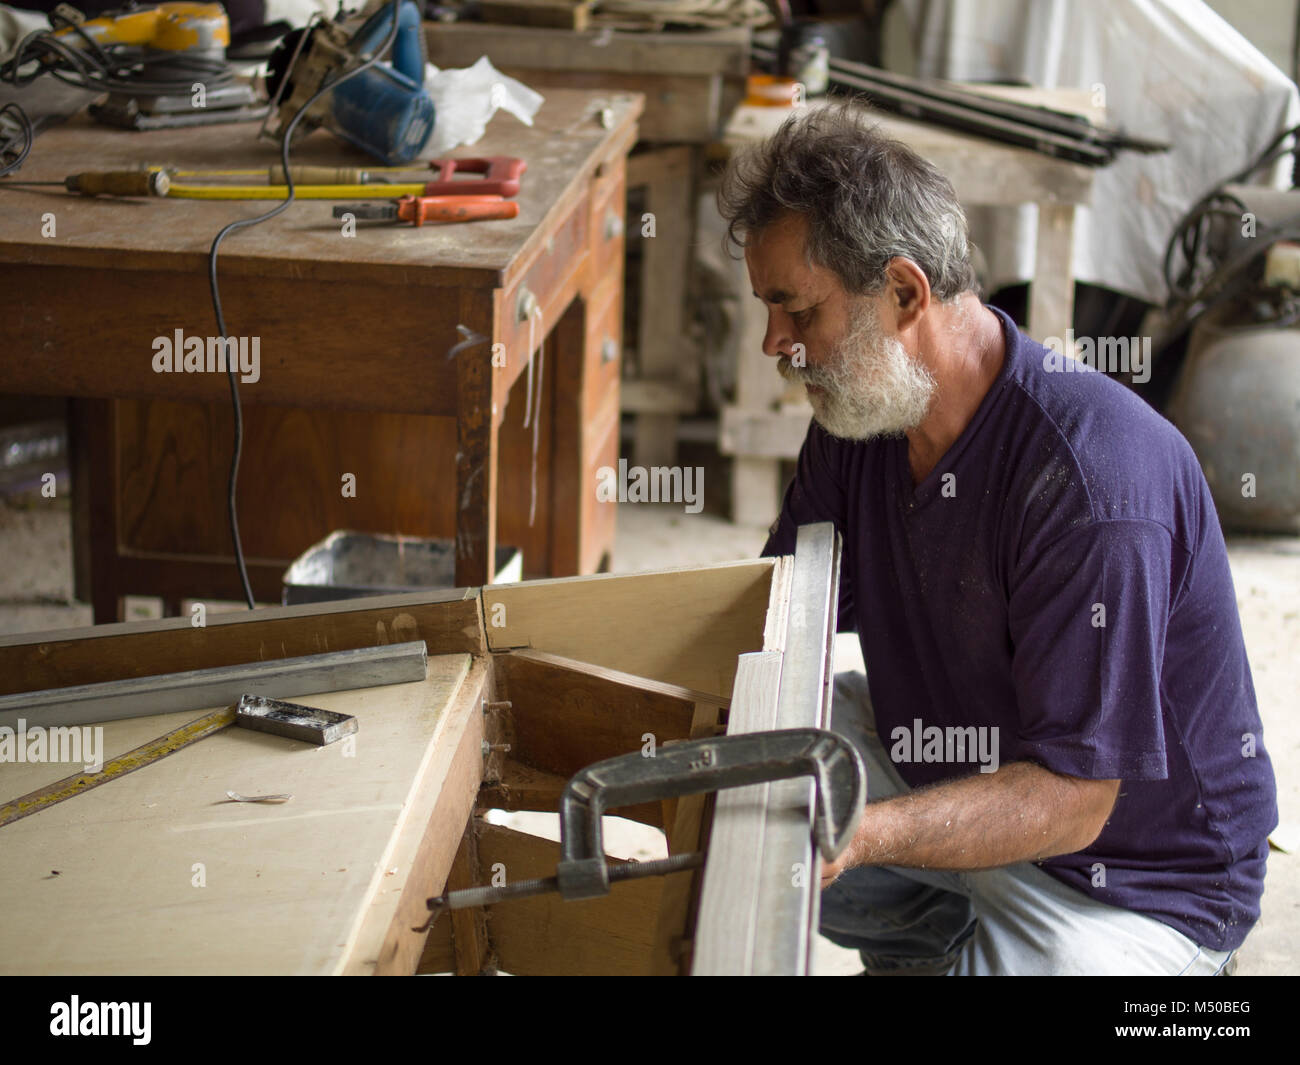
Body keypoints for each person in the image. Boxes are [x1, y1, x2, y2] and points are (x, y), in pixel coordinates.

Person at [723, 100, 1277, 975]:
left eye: (796, 311)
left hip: (1125, 875)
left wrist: (863, 834)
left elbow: (1073, 799)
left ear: (904, 292)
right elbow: (778, 614)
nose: (774, 343)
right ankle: (938, 943)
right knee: (754, 785)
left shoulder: (1093, 481)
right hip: (950, 769)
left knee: (829, 841)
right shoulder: (858, 418)